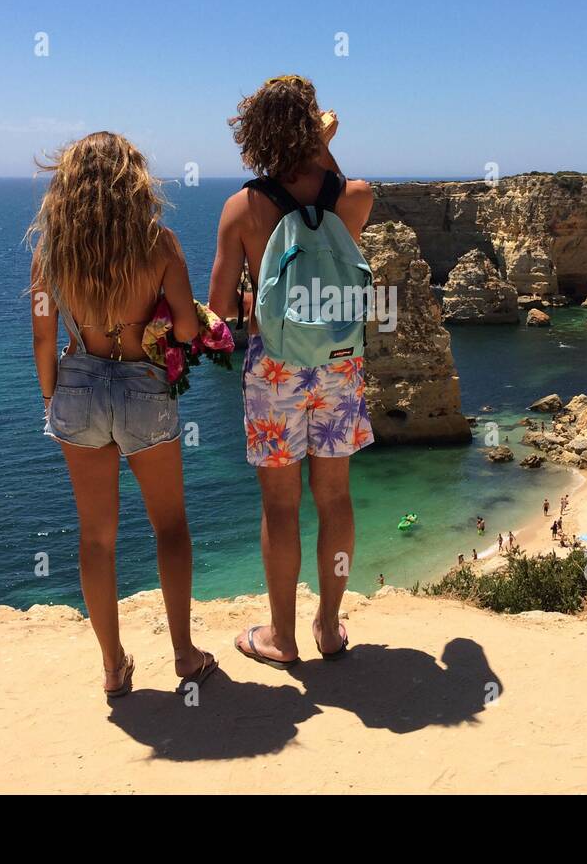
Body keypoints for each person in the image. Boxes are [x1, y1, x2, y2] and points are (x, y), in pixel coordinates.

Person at [28, 131, 216, 697]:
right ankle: (183, 655)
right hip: (142, 386)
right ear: (134, 183)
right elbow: (186, 327)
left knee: (96, 537)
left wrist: (51, 400)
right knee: (171, 527)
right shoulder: (160, 245)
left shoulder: (51, 253)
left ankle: (113, 667)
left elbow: (41, 339)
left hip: (78, 385)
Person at [209, 74, 373, 668]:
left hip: (275, 370)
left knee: (281, 508)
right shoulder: (355, 197)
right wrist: (322, 147)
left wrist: (255, 302)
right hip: (338, 364)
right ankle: (328, 626)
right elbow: (339, 193)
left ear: (253, 135)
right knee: (335, 498)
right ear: (315, 128)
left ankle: (281, 637)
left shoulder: (242, 208)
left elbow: (220, 310)